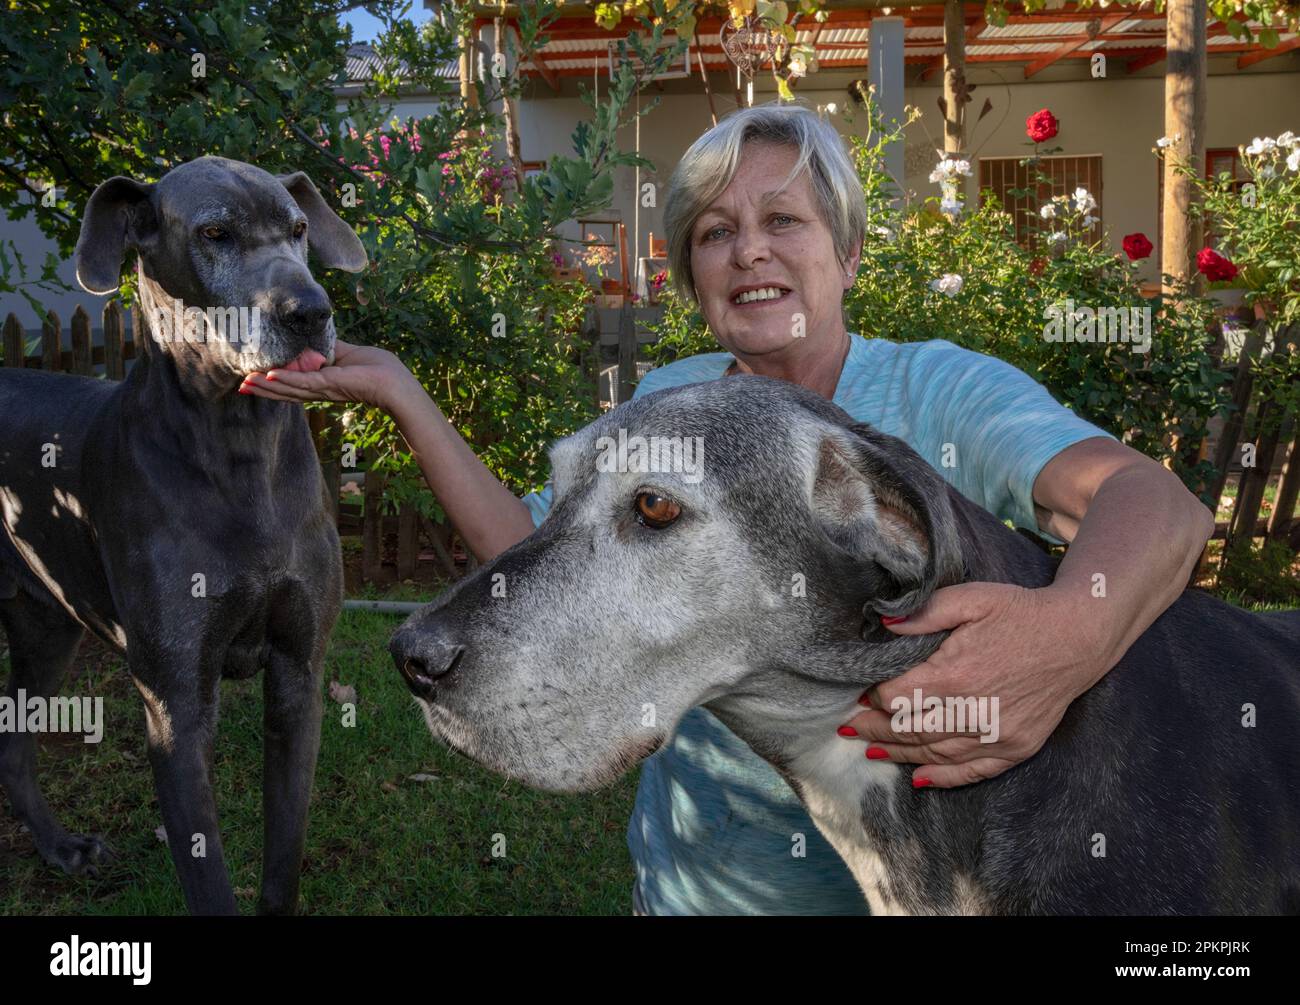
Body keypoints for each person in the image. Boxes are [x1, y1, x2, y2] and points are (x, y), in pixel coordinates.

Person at [241, 100, 1215, 916]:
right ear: (690, 272)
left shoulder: (940, 397)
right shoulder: (669, 403)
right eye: (714, 231)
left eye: (782, 220)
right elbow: (532, 550)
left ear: (849, 247)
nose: (748, 249)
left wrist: (1066, 637)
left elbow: (1151, 506)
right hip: (700, 890)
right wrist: (407, 396)